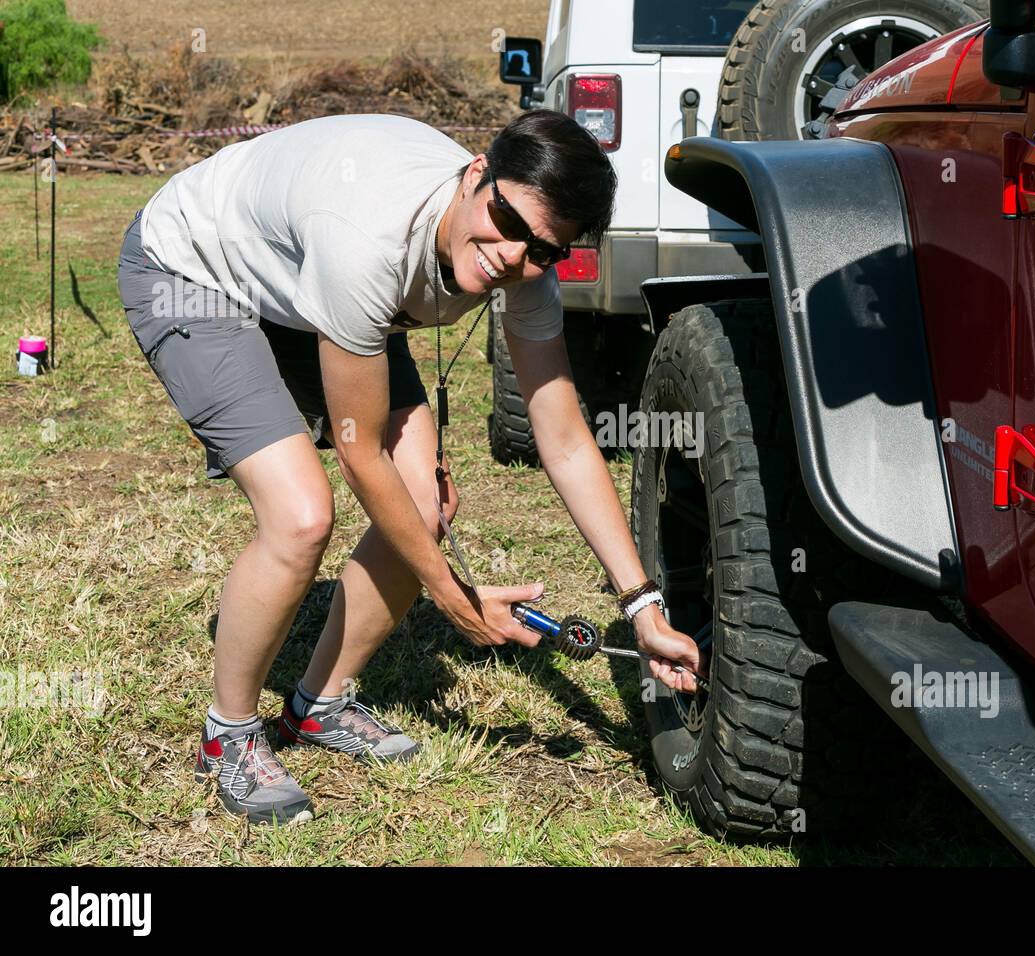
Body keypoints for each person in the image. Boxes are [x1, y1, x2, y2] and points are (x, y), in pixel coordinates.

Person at [117, 110, 704, 824]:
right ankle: (229, 738)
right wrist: (452, 596)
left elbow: (568, 441)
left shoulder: (523, 270)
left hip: (312, 287)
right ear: (477, 175)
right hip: (195, 269)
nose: (510, 257)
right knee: (302, 517)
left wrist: (642, 607)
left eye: (542, 250)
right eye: (507, 223)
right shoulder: (366, 237)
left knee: (421, 503)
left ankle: (319, 703)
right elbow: (360, 449)